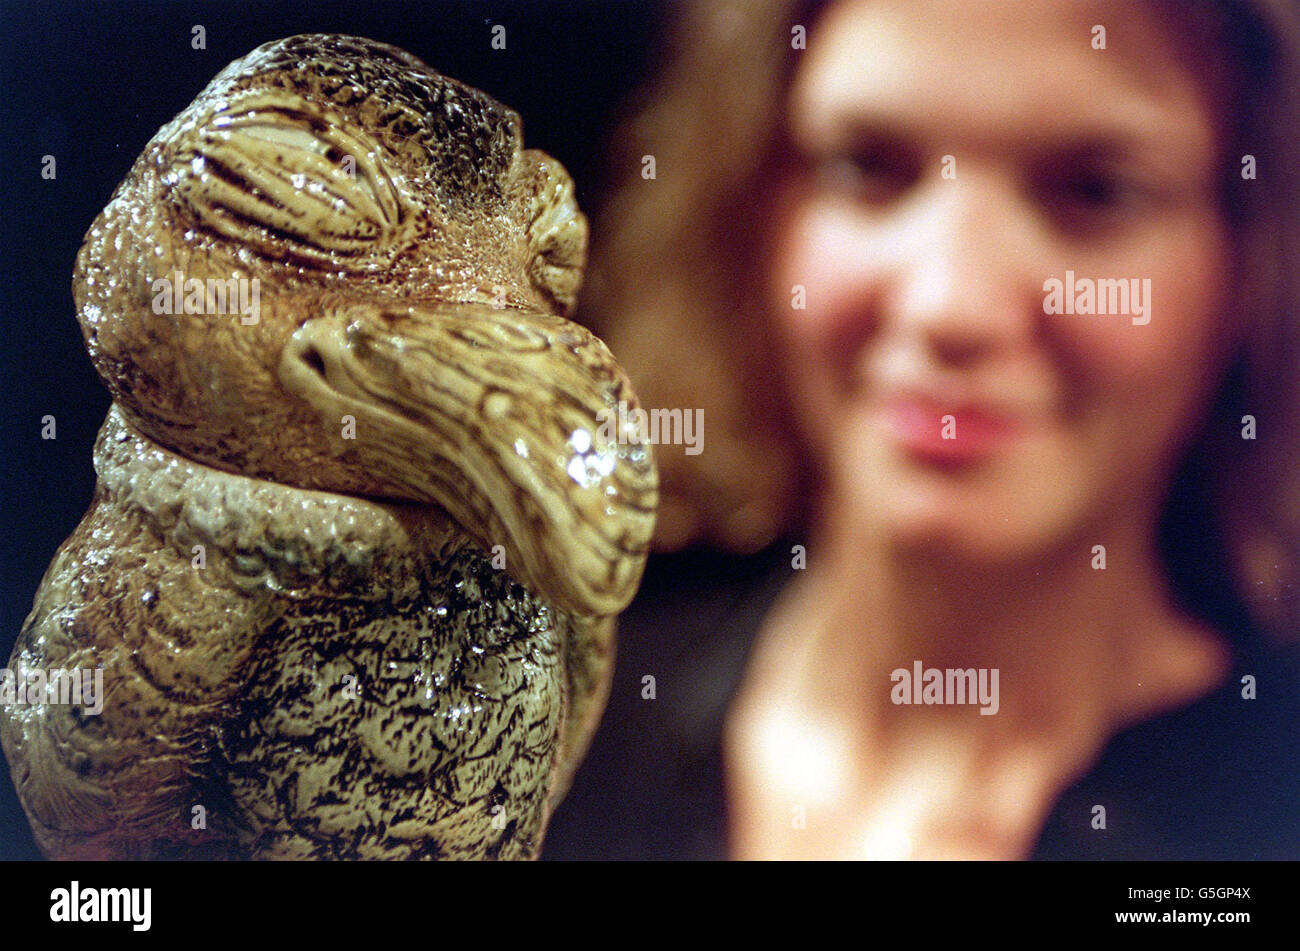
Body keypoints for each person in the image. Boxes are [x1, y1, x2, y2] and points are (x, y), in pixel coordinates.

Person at [541, 0, 1300, 860]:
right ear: (747, 208)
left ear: (1255, 261)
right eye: (868, 169)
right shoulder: (554, 728)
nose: (950, 303)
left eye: (1095, 191)